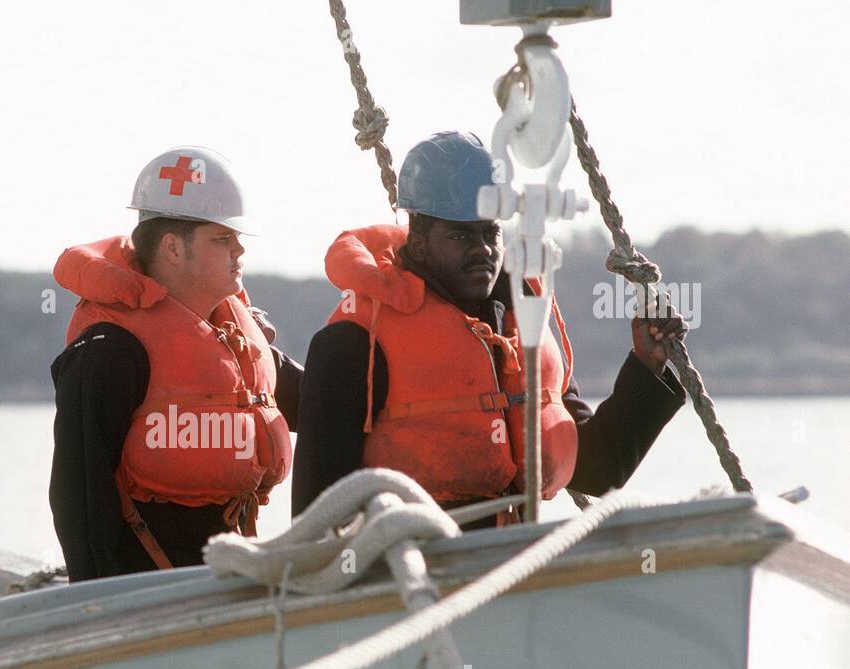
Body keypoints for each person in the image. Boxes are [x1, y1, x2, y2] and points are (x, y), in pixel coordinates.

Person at [293, 131, 687, 522]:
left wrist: (646, 364)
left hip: (508, 560)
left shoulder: (524, 328)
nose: (482, 249)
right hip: (405, 563)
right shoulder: (353, 343)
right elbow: (315, 521)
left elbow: (599, 467)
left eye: (490, 232)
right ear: (418, 243)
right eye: (461, 235)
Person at [50, 147, 301, 580]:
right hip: (148, 597)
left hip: (231, 584)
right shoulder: (110, 349)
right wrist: (101, 609)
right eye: (222, 239)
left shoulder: (239, 340)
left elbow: (335, 404)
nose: (239, 250)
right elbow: (79, 499)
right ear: (172, 248)